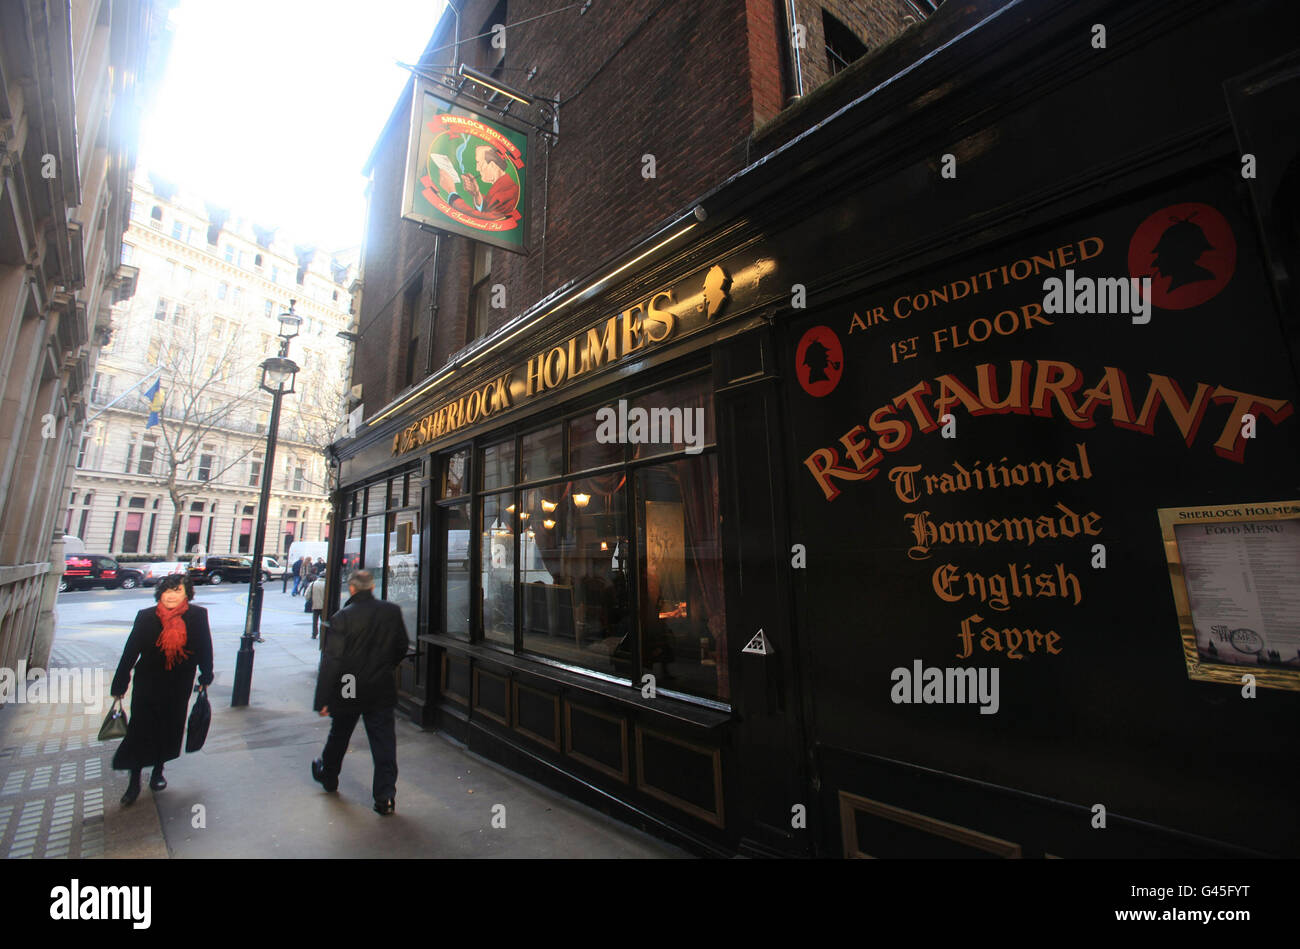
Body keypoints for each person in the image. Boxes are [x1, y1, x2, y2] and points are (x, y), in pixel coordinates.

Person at [111, 573, 213, 806]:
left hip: (179, 682)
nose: (171, 596)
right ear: (160, 594)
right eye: (167, 591)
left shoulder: (197, 616)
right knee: (140, 728)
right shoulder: (146, 617)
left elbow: (204, 647)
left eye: (177, 591)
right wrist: (120, 683)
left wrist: (206, 675)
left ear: (187, 594)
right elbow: (130, 651)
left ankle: (158, 771)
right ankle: (134, 779)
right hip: (148, 681)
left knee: (169, 727)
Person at [312, 570, 409, 815]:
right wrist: (385, 667)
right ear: (372, 587)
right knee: (384, 742)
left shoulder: (342, 617)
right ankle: (385, 797)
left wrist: (322, 699)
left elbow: (332, 660)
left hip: (349, 684)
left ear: (352, 589)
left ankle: (329, 776)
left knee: (340, 734)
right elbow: (401, 646)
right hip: (380, 685)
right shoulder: (391, 611)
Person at [306, 571, 326, 641]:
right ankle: (322, 634)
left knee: (315, 621)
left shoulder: (313, 584)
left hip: (315, 605)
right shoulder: (326, 584)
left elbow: (307, 594)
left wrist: (308, 599)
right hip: (324, 606)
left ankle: (314, 634)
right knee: (323, 621)